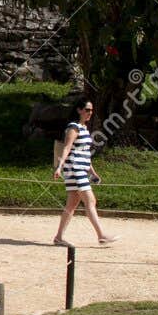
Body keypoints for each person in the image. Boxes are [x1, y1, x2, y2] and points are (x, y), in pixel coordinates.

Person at [53, 100, 120, 247]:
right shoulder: (74, 127)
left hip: (80, 169)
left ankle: (59, 237)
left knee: (72, 204)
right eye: (87, 110)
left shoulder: (84, 128)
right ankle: (101, 235)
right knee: (90, 201)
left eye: (91, 110)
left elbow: (85, 154)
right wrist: (59, 166)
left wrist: (93, 172)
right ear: (79, 110)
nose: (90, 112)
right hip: (74, 169)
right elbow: (67, 148)